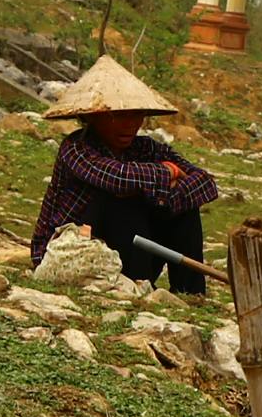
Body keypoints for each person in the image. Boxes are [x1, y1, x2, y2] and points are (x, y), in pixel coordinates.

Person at [29, 56, 219, 294]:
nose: (129, 125)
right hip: (76, 251)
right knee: (119, 198)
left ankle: (190, 292)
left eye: (135, 115)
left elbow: (205, 183)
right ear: (92, 116)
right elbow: (115, 177)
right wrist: (167, 173)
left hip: (136, 248)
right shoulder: (76, 147)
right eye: (117, 116)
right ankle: (137, 285)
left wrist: (165, 199)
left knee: (184, 209)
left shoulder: (146, 148)